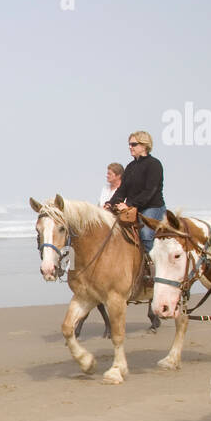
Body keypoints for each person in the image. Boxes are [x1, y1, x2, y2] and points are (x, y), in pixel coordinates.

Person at [106, 131, 165, 330]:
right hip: (133, 208)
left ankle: (151, 272)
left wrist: (129, 205)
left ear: (144, 145)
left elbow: (150, 191)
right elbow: (122, 191)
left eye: (134, 144)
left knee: (146, 235)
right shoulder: (131, 167)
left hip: (152, 207)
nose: (130, 147)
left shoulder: (154, 165)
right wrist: (111, 203)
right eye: (129, 144)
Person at [77, 162, 125, 339]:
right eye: (107, 173)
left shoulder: (123, 188)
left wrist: (111, 208)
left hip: (118, 222)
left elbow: (122, 205)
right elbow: (99, 206)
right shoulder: (105, 189)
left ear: (118, 176)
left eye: (110, 174)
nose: (107, 176)